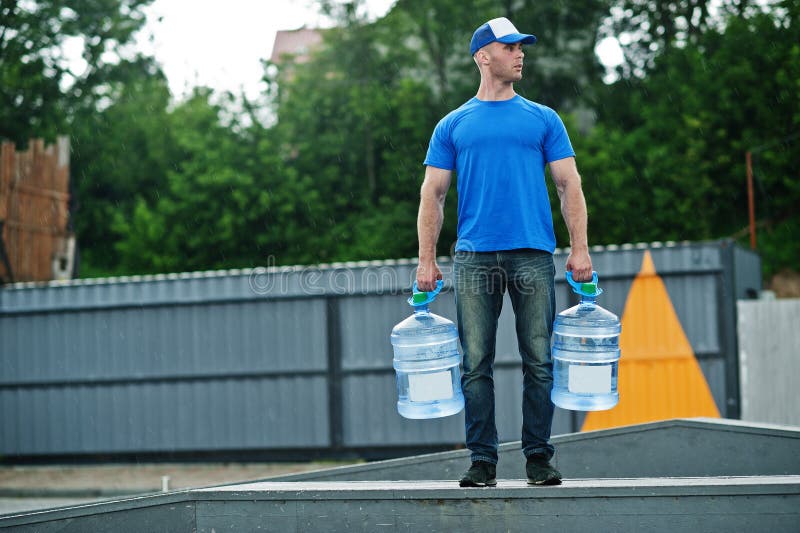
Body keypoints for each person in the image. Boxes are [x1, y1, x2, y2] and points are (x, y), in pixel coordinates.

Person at [415, 16, 593, 487]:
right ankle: (482, 461)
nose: (520, 54)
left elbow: (568, 183)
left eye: (521, 47)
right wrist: (426, 259)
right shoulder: (453, 124)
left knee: (540, 360)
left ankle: (538, 457)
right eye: (510, 46)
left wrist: (580, 248)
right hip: (473, 258)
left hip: (534, 254)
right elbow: (432, 194)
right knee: (475, 363)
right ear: (483, 56)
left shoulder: (543, 118)